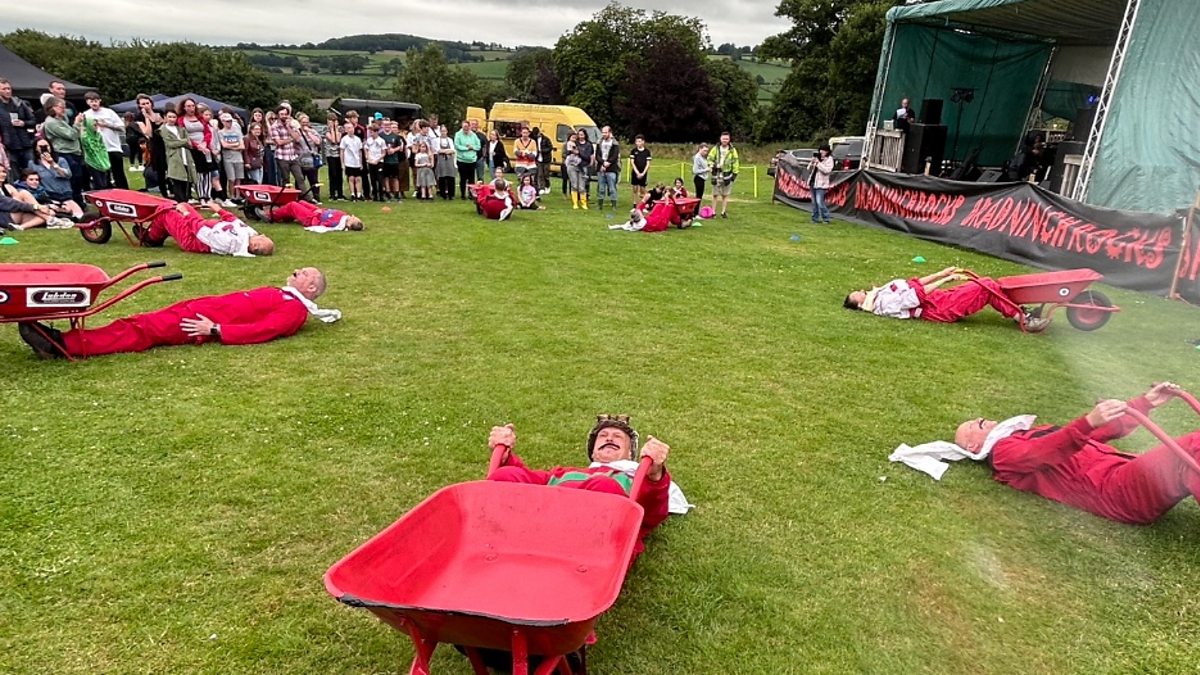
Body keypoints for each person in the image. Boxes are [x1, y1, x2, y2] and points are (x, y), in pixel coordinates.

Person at [953, 383, 1200, 525]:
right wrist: (1087, 422)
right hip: (1115, 491)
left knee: (1190, 453)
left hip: (1121, 474)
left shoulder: (1020, 437)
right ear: (974, 447)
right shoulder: (1002, 453)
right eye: (975, 424)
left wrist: (1144, 403)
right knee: (1192, 447)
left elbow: (1096, 434)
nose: (979, 419)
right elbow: (1041, 452)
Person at [17, 267, 339, 360]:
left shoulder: (294, 308)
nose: (296, 271)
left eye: (304, 273)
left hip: (199, 322)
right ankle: (66, 341)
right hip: (197, 308)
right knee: (139, 324)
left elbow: (264, 330)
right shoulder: (287, 294)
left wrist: (215, 330)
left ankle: (62, 345)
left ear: (311, 288)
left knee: (139, 330)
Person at [486, 415, 671, 557]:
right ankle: (496, 541)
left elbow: (652, 512)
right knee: (505, 474)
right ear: (593, 451)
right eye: (603, 436)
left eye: (618, 437)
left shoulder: (632, 480)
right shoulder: (563, 474)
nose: (610, 439)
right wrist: (505, 458)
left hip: (592, 547)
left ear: (630, 452)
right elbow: (525, 479)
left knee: (603, 485)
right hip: (542, 527)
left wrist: (654, 473)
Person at [843, 266, 1050, 331]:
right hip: (937, 309)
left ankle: (1020, 312)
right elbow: (916, 297)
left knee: (987, 283)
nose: (861, 290)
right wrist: (947, 279)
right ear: (860, 303)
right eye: (857, 294)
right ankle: (1022, 317)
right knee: (985, 287)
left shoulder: (880, 294)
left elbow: (915, 284)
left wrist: (942, 273)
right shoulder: (883, 304)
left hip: (936, 299)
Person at [142, 200, 274, 257]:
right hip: (199, 226)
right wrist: (219, 210)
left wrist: (186, 214)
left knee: (166, 211)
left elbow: (202, 232)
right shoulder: (249, 235)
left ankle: (151, 239)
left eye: (263, 238)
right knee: (183, 205)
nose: (262, 234)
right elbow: (235, 221)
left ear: (255, 246)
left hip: (192, 237)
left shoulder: (230, 243)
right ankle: (160, 232)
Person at [40, 96, 85, 203]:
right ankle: (74, 203)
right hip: (64, 153)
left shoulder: (60, 120)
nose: (64, 110)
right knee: (72, 179)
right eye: (61, 107)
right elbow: (72, 135)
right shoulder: (51, 123)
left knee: (78, 179)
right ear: (52, 107)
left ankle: (79, 202)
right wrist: (77, 123)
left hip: (73, 152)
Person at [81, 91, 128, 190]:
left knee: (118, 173)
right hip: (98, 150)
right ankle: (106, 194)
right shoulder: (86, 114)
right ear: (87, 102)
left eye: (96, 101)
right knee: (103, 174)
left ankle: (124, 192)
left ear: (100, 101)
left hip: (113, 147)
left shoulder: (109, 112)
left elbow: (122, 128)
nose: (94, 103)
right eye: (91, 101)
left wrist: (107, 124)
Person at [0, 164, 67, 230]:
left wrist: (45, 207)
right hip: (4, 217)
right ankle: (50, 220)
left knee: (49, 214)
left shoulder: (8, 186)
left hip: (17, 214)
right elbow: (12, 204)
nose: (3, 174)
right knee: (23, 193)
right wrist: (37, 207)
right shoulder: (19, 188)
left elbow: (17, 202)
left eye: (3, 171)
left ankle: (20, 227)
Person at [25, 150, 85, 220]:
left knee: (80, 216)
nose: (43, 149)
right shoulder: (33, 164)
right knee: (55, 212)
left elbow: (68, 175)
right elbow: (32, 181)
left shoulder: (61, 160)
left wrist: (53, 163)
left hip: (65, 195)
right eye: (40, 147)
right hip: (50, 196)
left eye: (46, 146)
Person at [160, 108, 196, 202]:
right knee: (177, 180)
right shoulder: (163, 130)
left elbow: (189, 143)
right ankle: (180, 201)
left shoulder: (181, 129)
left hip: (185, 156)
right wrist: (183, 141)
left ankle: (186, 199)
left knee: (186, 179)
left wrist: (182, 142)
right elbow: (171, 144)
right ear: (165, 117)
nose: (172, 119)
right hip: (174, 157)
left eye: (174, 117)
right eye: (170, 117)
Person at [0, 79, 37, 171]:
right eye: (4, 89)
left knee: (31, 170)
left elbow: (33, 120)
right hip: (9, 144)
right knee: (13, 172)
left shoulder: (20, 103)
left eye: (9, 88)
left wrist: (23, 123)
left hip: (25, 142)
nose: (7, 91)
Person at [270, 104, 306, 194]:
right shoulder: (274, 127)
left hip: (293, 155)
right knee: (285, 179)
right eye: (282, 114)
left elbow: (297, 138)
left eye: (286, 114)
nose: (284, 116)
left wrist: (289, 127)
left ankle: (305, 197)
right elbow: (279, 142)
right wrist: (291, 139)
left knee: (300, 177)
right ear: (278, 115)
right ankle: (286, 197)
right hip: (282, 156)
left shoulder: (291, 124)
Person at [265, 199, 364, 232]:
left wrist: (318, 214)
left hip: (312, 218)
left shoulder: (336, 223)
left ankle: (270, 216)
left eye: (354, 218)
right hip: (317, 212)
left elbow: (322, 224)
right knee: (301, 202)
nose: (353, 216)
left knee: (293, 205)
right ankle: (286, 217)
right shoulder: (344, 217)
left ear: (350, 224)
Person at [707, 131, 739, 219]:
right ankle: (713, 212)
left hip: (727, 175)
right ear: (720, 139)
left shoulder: (732, 150)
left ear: (729, 140)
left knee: (725, 194)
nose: (725, 140)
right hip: (716, 174)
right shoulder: (715, 149)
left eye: (727, 139)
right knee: (715, 194)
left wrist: (734, 174)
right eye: (723, 138)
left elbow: (735, 162)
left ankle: (723, 212)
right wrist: (711, 165)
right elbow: (709, 158)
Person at [565, 128, 594, 210]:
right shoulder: (574, 143)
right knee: (574, 185)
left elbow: (587, 157)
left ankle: (584, 203)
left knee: (582, 186)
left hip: (583, 165)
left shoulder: (588, 144)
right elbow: (567, 152)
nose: (580, 136)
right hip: (572, 166)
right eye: (579, 135)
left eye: (582, 135)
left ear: (585, 135)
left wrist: (579, 153)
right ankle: (575, 203)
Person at [218, 113, 246, 197]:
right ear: (222, 122)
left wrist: (231, 146)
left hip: (238, 158)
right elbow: (224, 145)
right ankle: (231, 196)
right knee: (231, 179)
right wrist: (236, 145)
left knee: (239, 178)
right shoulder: (221, 132)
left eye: (230, 121)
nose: (229, 123)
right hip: (228, 158)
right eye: (227, 121)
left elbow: (242, 146)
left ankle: (237, 196)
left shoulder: (237, 131)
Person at [454, 120, 481, 200]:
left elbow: (478, 146)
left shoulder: (473, 135)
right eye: (464, 127)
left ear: (469, 127)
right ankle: (463, 194)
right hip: (462, 160)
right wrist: (467, 148)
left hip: (472, 160)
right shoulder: (458, 135)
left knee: (471, 179)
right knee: (463, 178)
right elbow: (457, 146)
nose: (465, 128)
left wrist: (472, 147)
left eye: (467, 127)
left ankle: (471, 194)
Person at [380, 120, 405, 201]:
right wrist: (385, 150)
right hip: (385, 160)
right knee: (386, 177)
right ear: (382, 126)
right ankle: (387, 192)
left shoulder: (395, 136)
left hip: (394, 160)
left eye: (388, 125)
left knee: (395, 177)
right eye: (385, 125)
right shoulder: (381, 135)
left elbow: (399, 147)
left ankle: (397, 193)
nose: (387, 126)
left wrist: (394, 150)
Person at [596, 126, 620, 210]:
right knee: (601, 188)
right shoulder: (599, 142)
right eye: (603, 132)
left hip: (611, 168)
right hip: (601, 168)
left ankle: (614, 205)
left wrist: (608, 163)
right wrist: (603, 163)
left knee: (612, 188)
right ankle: (600, 205)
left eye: (605, 132)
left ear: (609, 133)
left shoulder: (614, 143)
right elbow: (597, 155)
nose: (604, 134)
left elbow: (615, 156)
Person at [339, 122, 364, 201]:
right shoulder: (344, 139)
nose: (351, 130)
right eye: (348, 128)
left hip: (357, 162)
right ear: (346, 130)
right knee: (351, 178)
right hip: (349, 162)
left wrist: (361, 162)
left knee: (358, 178)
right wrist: (342, 163)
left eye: (352, 128)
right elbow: (342, 151)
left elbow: (359, 151)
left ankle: (359, 194)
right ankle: (353, 194)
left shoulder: (357, 139)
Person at [809, 144, 834, 224]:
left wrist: (818, 163)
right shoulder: (818, 158)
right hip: (813, 182)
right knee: (814, 203)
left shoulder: (829, 159)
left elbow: (827, 171)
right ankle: (815, 218)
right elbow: (808, 169)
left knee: (820, 202)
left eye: (823, 150)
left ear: (827, 151)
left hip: (822, 184)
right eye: (820, 150)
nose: (821, 152)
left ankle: (826, 218)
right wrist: (812, 162)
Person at [322, 113, 344, 200]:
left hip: (338, 154)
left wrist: (335, 129)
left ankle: (340, 193)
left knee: (339, 174)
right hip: (330, 154)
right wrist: (331, 129)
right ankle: (332, 193)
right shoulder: (325, 129)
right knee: (332, 174)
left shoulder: (340, 129)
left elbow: (338, 140)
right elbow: (333, 140)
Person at [363, 125, 386, 202]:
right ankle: (375, 195)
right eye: (370, 132)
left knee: (380, 179)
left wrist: (378, 160)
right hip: (371, 161)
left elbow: (383, 152)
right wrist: (368, 158)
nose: (371, 134)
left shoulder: (381, 141)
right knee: (372, 179)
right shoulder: (369, 140)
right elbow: (366, 149)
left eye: (372, 132)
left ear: (376, 132)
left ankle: (381, 195)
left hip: (379, 162)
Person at [629, 135, 651, 203]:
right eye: (636, 142)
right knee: (635, 189)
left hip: (643, 173)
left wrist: (643, 173)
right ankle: (635, 204)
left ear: (643, 142)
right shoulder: (633, 151)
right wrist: (637, 173)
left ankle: (644, 204)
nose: (638, 143)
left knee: (642, 189)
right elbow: (632, 162)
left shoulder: (647, 152)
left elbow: (648, 164)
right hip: (635, 173)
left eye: (639, 141)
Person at [534, 126, 553, 194]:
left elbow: (550, 147)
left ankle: (547, 186)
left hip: (546, 159)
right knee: (540, 174)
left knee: (546, 174)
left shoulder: (546, 139)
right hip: (539, 159)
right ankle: (541, 187)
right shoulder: (535, 139)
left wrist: (542, 151)